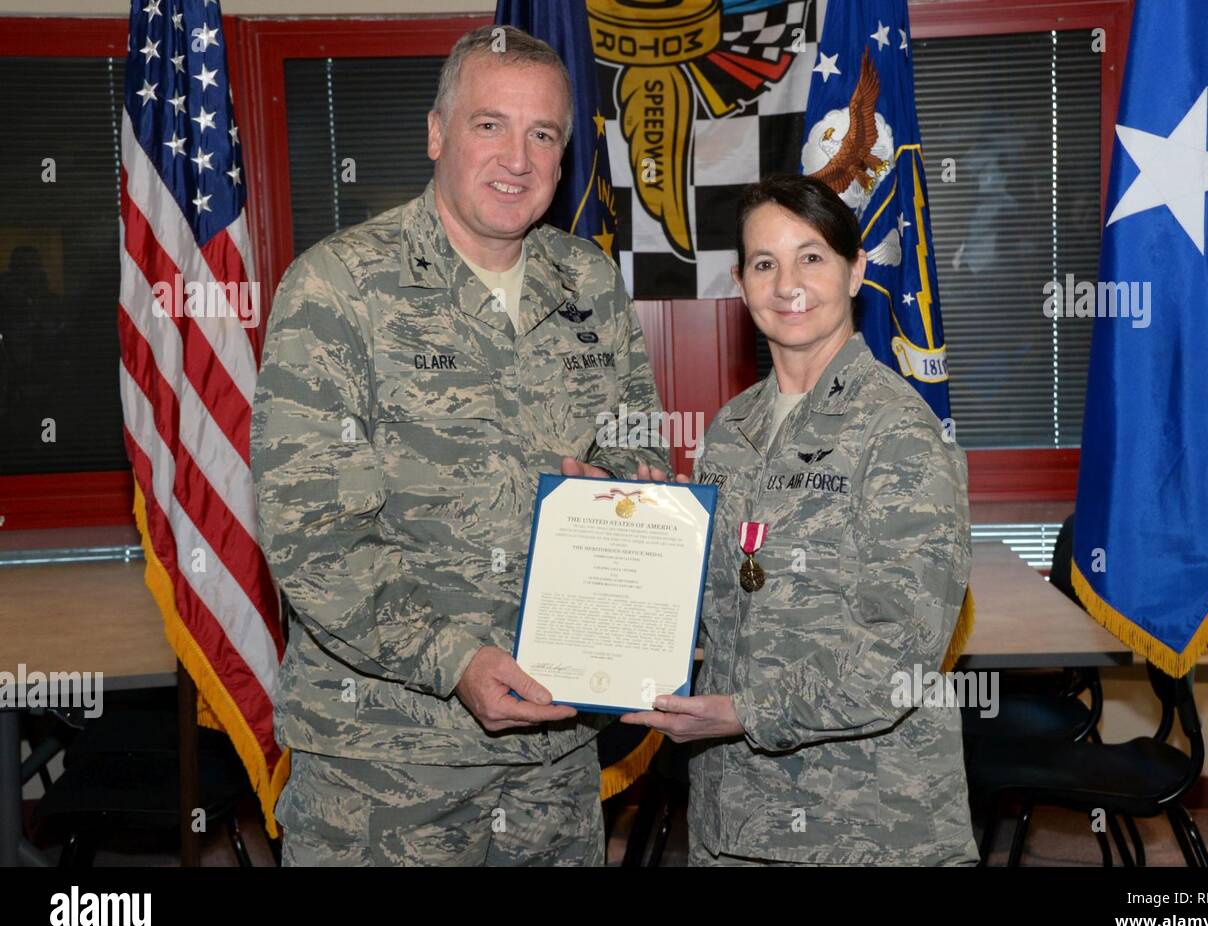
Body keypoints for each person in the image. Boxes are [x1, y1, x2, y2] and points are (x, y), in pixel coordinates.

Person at [251, 24, 670, 866]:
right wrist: (454, 660)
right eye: (490, 125)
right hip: (387, 772)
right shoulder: (339, 288)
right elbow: (309, 532)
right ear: (438, 134)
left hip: (555, 758)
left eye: (542, 134)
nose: (517, 157)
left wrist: (624, 496)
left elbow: (638, 451)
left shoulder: (587, 282)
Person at [623, 173, 979, 865]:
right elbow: (716, 604)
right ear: (741, 281)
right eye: (765, 263)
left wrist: (746, 714)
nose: (787, 282)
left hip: (865, 825)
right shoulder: (730, 430)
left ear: (856, 270)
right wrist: (626, 532)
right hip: (732, 815)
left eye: (811, 256)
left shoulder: (899, 432)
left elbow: (900, 656)